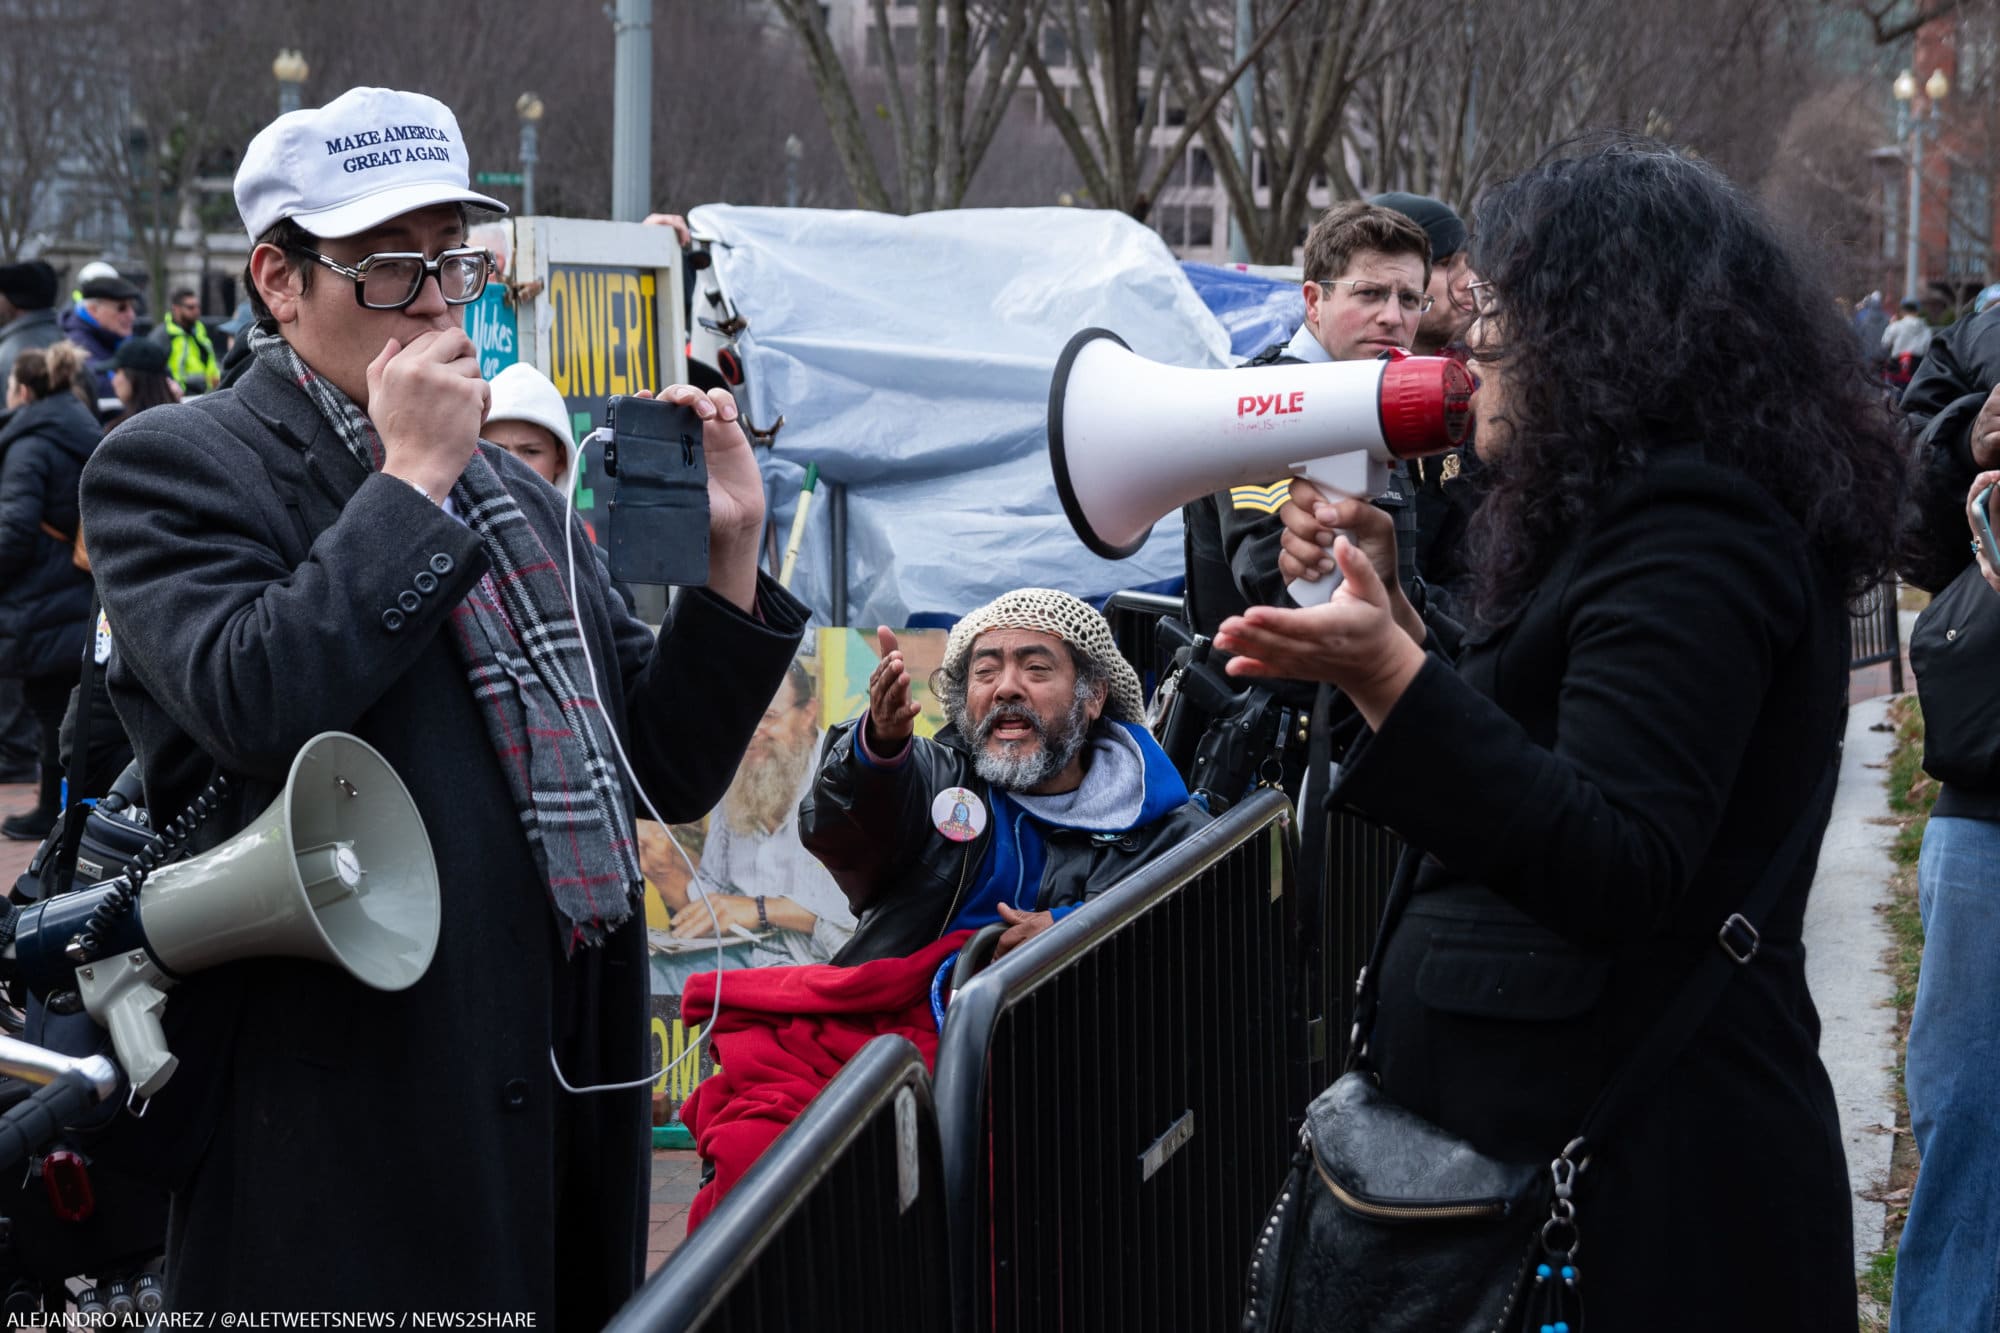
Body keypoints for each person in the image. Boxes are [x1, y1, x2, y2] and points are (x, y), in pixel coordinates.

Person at [76, 85, 808, 1321]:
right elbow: (252, 699)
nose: (430, 300)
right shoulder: (174, 462)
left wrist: (729, 558)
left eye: (451, 262)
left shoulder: (514, 495)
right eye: (385, 265)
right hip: (342, 1100)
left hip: (554, 1069)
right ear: (277, 280)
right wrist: (409, 477)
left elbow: (660, 764)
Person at [1221, 141, 1901, 1326]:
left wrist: (1390, 678)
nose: (1468, 347)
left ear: (1599, 329)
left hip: (1644, 1202)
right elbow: (1548, 751)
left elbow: (1618, 856)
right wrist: (1405, 631)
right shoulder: (1626, 512)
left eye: (1495, 313)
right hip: (1573, 1168)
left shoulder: (1692, 528)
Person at [800, 588, 1210, 965]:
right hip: (897, 1016)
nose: (1006, 688)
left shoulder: (1167, 830)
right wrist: (879, 744)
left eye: (1036, 668)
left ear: (1094, 696)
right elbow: (838, 835)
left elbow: (1199, 943)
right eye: (985, 671)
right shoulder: (934, 777)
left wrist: (1077, 932)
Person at [1886, 300, 2000, 1332]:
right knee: (1966, 1109)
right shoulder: (1979, 340)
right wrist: (1966, 442)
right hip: (1989, 798)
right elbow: (1906, 535)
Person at [670, 657, 856, 965]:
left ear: (808, 714)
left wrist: (761, 909)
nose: (751, 732)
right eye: (739, 718)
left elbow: (861, 919)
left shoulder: (846, 782)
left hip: (820, 970)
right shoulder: (737, 772)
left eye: (767, 717)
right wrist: (669, 872)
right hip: (740, 960)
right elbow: (717, 887)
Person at [0, 343, 100, 840]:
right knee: (67, 705)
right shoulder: (80, 426)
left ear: (23, 390)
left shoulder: (30, 443)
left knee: (48, 708)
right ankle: (66, 806)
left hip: (42, 589)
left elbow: (15, 529)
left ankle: (50, 812)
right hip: (77, 583)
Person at [0, 260, 67, 783]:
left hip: (31, 548)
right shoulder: (67, 351)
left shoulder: (10, 358)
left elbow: (16, 521)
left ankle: (17, 754)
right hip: (63, 553)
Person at [60, 272, 138, 402]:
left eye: (132, 307)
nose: (132, 315)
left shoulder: (119, 338)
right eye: (122, 308)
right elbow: (98, 385)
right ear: (93, 310)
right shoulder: (77, 345)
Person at [152, 287, 221, 394]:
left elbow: (211, 364)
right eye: (190, 307)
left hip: (205, 394)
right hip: (177, 397)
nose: (197, 311)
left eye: (198, 307)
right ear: (176, 309)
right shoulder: (162, 335)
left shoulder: (199, 332)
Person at [105, 337, 180, 429]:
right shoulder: (181, 420)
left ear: (134, 378)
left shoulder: (123, 429)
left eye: (116, 372)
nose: (113, 381)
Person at [1883, 297, 1933, 387]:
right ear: (1917, 311)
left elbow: (1885, 343)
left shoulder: (1895, 326)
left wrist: (1890, 325)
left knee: (1893, 389)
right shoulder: (1925, 329)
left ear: (1902, 311)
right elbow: (1928, 348)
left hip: (1897, 366)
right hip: (1917, 367)